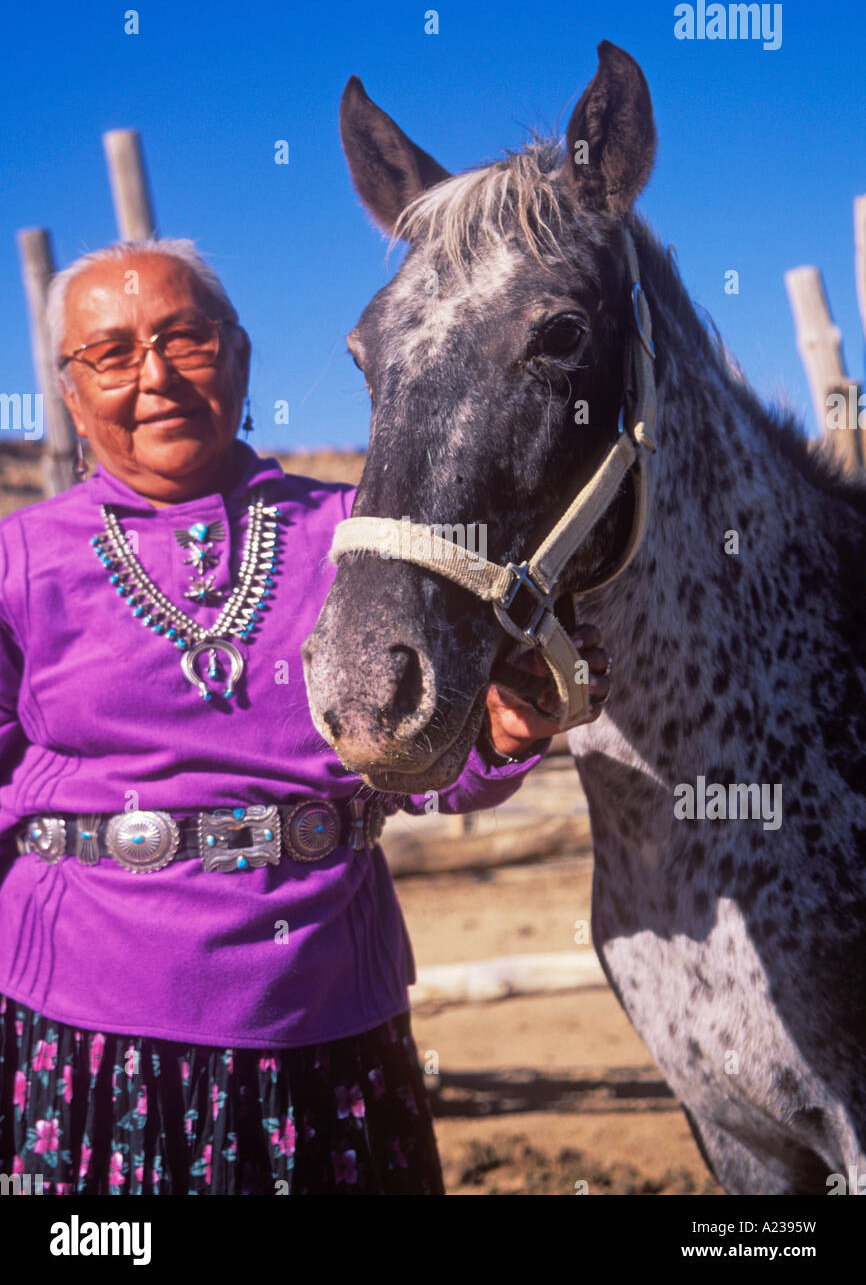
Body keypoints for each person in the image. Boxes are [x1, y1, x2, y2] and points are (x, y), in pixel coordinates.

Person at [0, 238, 612, 1196]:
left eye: (186, 339)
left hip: (328, 1032)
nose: (154, 374)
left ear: (241, 359)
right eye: (111, 354)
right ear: (69, 393)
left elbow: (433, 760)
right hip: (83, 1033)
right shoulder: (18, 561)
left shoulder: (365, 538)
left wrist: (503, 738)